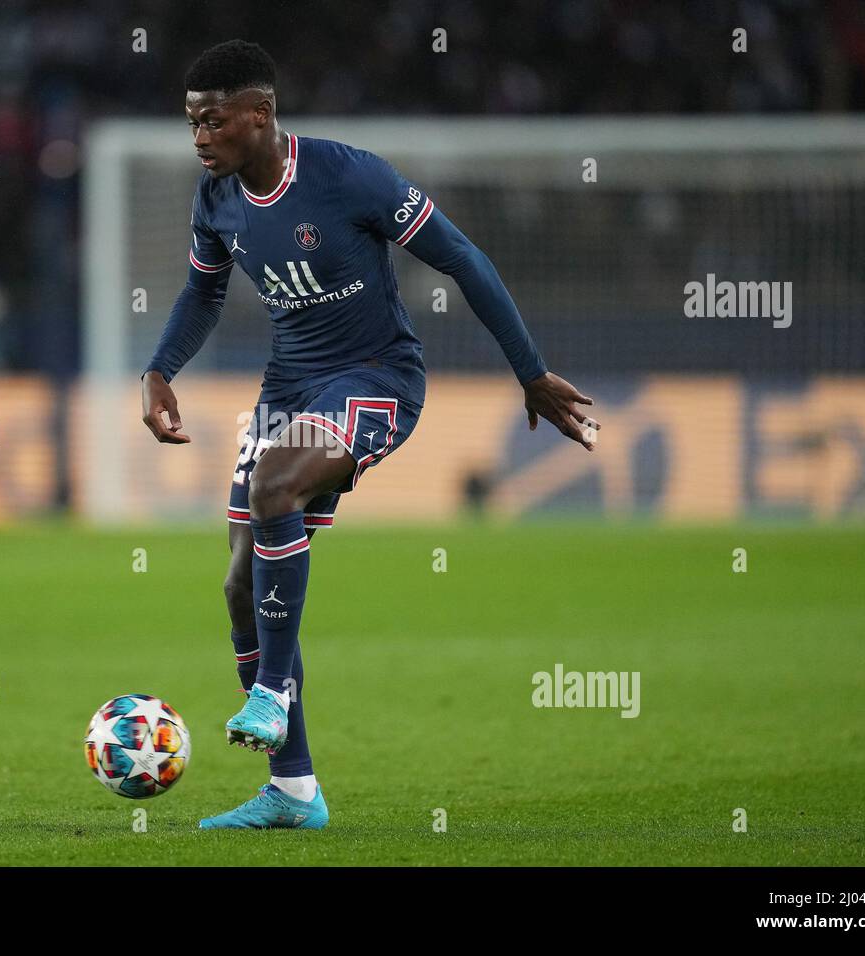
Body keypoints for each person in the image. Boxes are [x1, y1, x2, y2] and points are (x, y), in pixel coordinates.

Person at [140, 40, 599, 829]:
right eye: (192, 124)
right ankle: (293, 793)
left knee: (275, 483)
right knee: (239, 589)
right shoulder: (214, 200)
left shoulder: (349, 175)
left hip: (377, 378)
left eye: (213, 122)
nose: (200, 138)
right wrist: (159, 370)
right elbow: (201, 294)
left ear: (260, 114)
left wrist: (529, 370)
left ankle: (273, 692)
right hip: (288, 388)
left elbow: (462, 258)